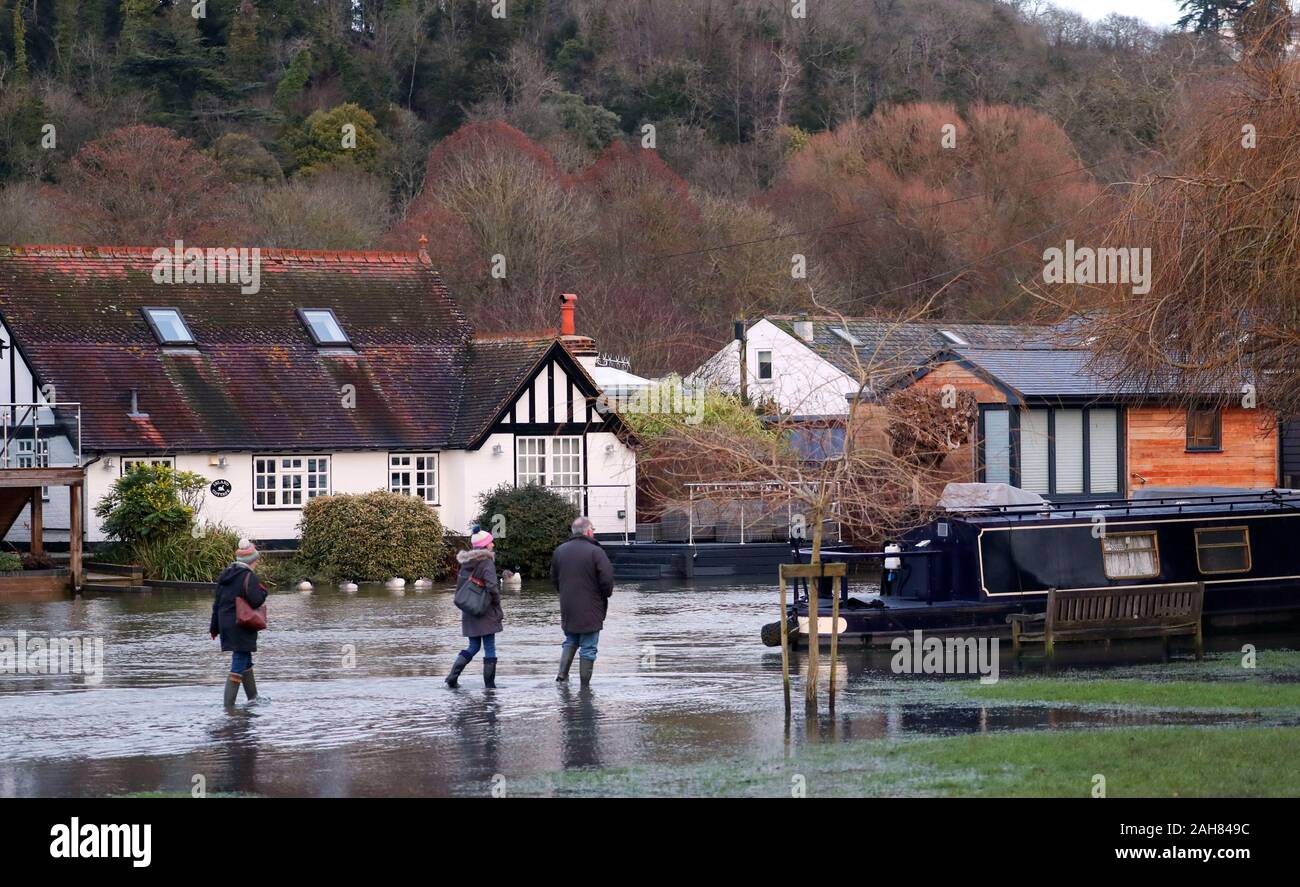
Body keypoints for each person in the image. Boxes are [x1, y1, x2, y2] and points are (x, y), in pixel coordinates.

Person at [550, 516, 614, 688]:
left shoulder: (560, 551)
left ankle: (562, 677)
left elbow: (554, 579)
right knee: (588, 647)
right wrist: (605, 595)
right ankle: (585, 687)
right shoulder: (596, 552)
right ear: (589, 531)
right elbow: (607, 580)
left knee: (570, 640)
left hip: (568, 606)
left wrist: (565, 594)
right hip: (591, 607)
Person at [211, 538, 269, 707]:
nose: (257, 563)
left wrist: (214, 627)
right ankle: (229, 707)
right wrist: (263, 591)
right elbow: (256, 601)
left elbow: (217, 604)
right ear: (252, 560)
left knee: (245, 658)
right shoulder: (248, 576)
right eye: (256, 559)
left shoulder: (226, 574)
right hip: (241, 625)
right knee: (238, 661)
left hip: (225, 624)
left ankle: (253, 698)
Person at [446, 529, 503, 689]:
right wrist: (497, 606)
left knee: (473, 646)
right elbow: (492, 587)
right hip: (485, 610)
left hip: (469, 610)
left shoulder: (465, 562)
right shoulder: (486, 562)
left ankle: (452, 677)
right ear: (485, 545)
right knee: (490, 647)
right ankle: (490, 686)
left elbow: (461, 587)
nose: (493, 544)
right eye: (490, 542)